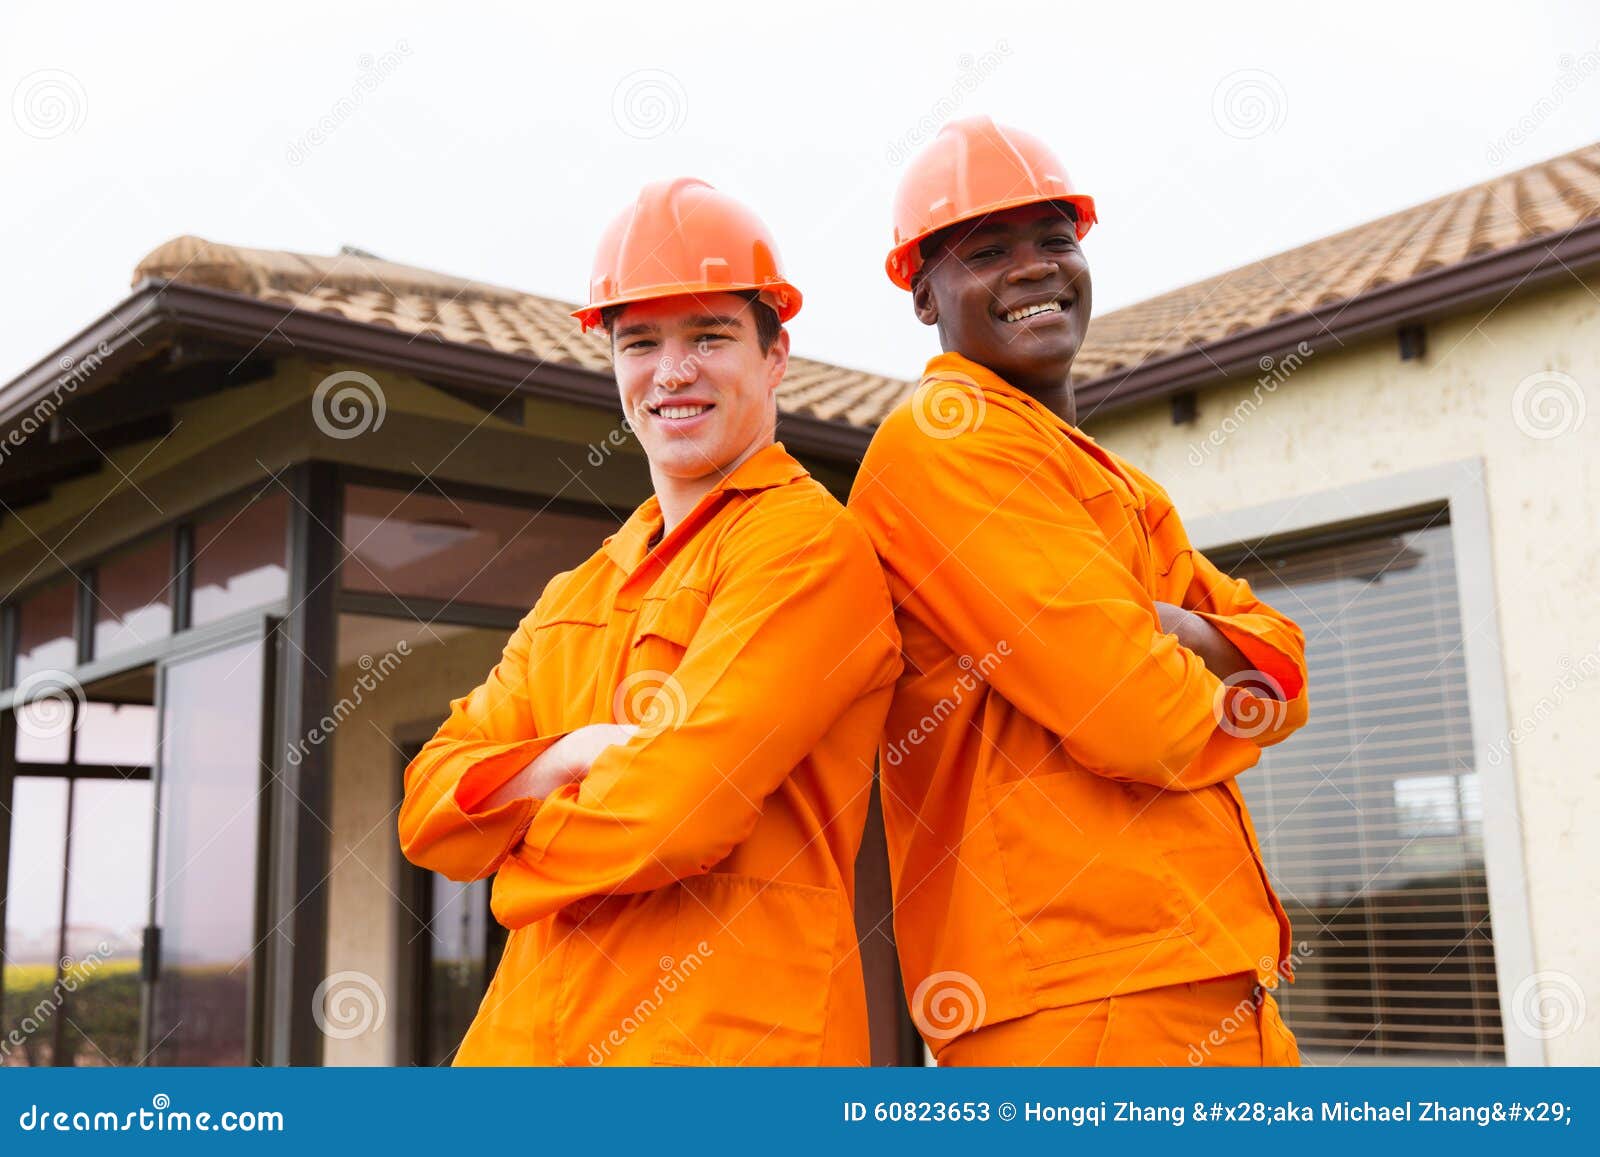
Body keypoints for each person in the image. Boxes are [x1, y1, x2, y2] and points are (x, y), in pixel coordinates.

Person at [399, 177, 902, 1065]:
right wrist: (563, 756)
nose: (672, 372)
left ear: (776, 354)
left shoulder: (806, 548)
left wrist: (511, 863)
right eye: (641, 343)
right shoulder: (579, 590)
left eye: (709, 336)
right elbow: (427, 810)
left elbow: (678, 812)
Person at [849, 117, 1310, 1066]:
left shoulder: (1114, 485)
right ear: (922, 296)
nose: (1032, 269)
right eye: (987, 252)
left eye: (1055, 240)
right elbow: (1130, 711)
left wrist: (1173, 626)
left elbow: (1287, 671)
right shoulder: (943, 441)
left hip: (1211, 972)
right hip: (1083, 999)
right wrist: (1198, 642)